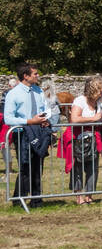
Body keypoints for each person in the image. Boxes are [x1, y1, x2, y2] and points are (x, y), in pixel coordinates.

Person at [3, 63, 54, 205]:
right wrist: (29, 121)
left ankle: (36, 199)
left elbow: (44, 109)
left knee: (38, 166)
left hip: (39, 133)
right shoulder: (13, 94)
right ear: (26, 76)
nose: (38, 76)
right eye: (35, 74)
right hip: (22, 134)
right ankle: (18, 199)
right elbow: (8, 118)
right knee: (25, 167)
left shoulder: (38, 91)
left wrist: (44, 119)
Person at [70, 75, 102, 204]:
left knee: (93, 168)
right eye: (101, 88)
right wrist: (93, 119)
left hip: (93, 139)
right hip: (79, 139)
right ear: (94, 88)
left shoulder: (99, 101)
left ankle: (89, 195)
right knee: (78, 167)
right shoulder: (80, 100)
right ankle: (79, 197)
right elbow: (74, 119)